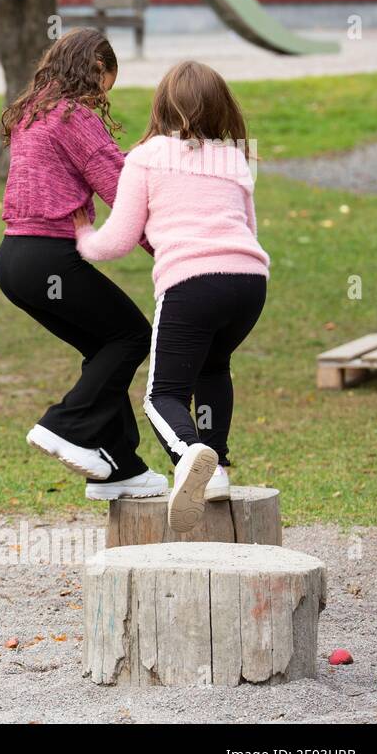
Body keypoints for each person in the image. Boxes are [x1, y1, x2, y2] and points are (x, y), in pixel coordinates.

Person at [75, 60, 268, 532]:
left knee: (161, 395)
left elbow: (120, 239)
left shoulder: (146, 157)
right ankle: (216, 466)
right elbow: (250, 227)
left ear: (161, 104)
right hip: (248, 282)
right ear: (223, 107)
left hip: (191, 283)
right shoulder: (234, 157)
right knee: (214, 367)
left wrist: (82, 237)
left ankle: (190, 454)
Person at [0, 28, 167, 501]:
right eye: (107, 81)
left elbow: (109, 165)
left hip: (14, 259)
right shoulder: (74, 115)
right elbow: (120, 190)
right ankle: (64, 425)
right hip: (48, 257)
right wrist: (171, 256)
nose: (105, 93)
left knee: (104, 346)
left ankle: (118, 468)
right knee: (131, 335)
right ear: (97, 70)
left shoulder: (34, 112)